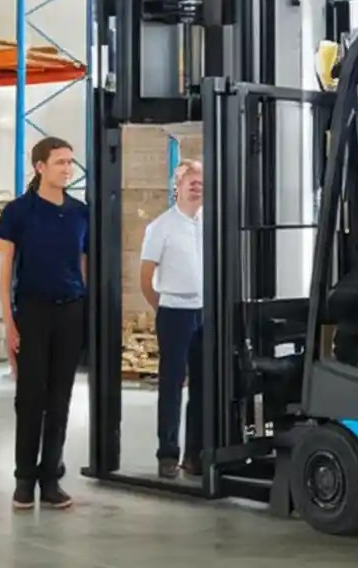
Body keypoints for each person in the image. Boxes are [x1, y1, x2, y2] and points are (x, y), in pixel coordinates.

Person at [0, 136, 89, 511]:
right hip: (32, 313)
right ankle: (24, 480)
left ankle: (51, 478)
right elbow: (5, 274)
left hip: (70, 311)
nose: (67, 169)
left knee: (60, 398)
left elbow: (83, 267)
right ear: (39, 167)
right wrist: (10, 324)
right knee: (30, 398)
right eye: (59, 163)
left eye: (70, 163)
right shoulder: (18, 212)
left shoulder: (81, 212)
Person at [139, 159, 205, 479]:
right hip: (175, 312)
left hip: (207, 312)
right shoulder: (161, 227)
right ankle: (167, 454)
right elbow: (145, 277)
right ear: (176, 185)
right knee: (172, 384)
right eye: (189, 178)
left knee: (205, 385)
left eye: (201, 178)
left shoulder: (211, 224)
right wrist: (163, 307)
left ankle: (196, 454)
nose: (196, 183)